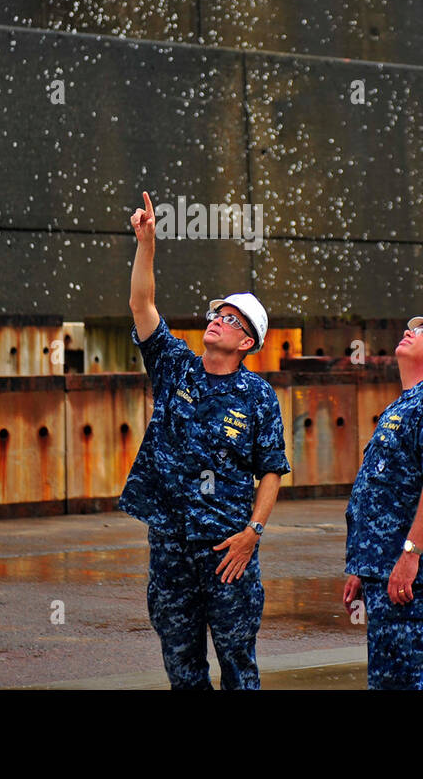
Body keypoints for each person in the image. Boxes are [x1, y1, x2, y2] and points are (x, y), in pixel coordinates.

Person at [119, 191, 290, 690]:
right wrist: (147, 243)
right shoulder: (176, 367)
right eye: (217, 313)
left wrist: (252, 534)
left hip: (227, 549)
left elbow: (272, 472)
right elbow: (141, 303)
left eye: (230, 319)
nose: (217, 320)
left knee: (239, 667)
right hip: (170, 546)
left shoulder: (258, 396)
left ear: (246, 342)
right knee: (182, 669)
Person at [342, 313, 423, 690]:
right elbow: (379, 491)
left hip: (409, 573)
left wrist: (411, 553)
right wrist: (360, 566)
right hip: (382, 569)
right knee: (395, 680)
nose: (408, 332)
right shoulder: (405, 404)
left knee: (401, 682)